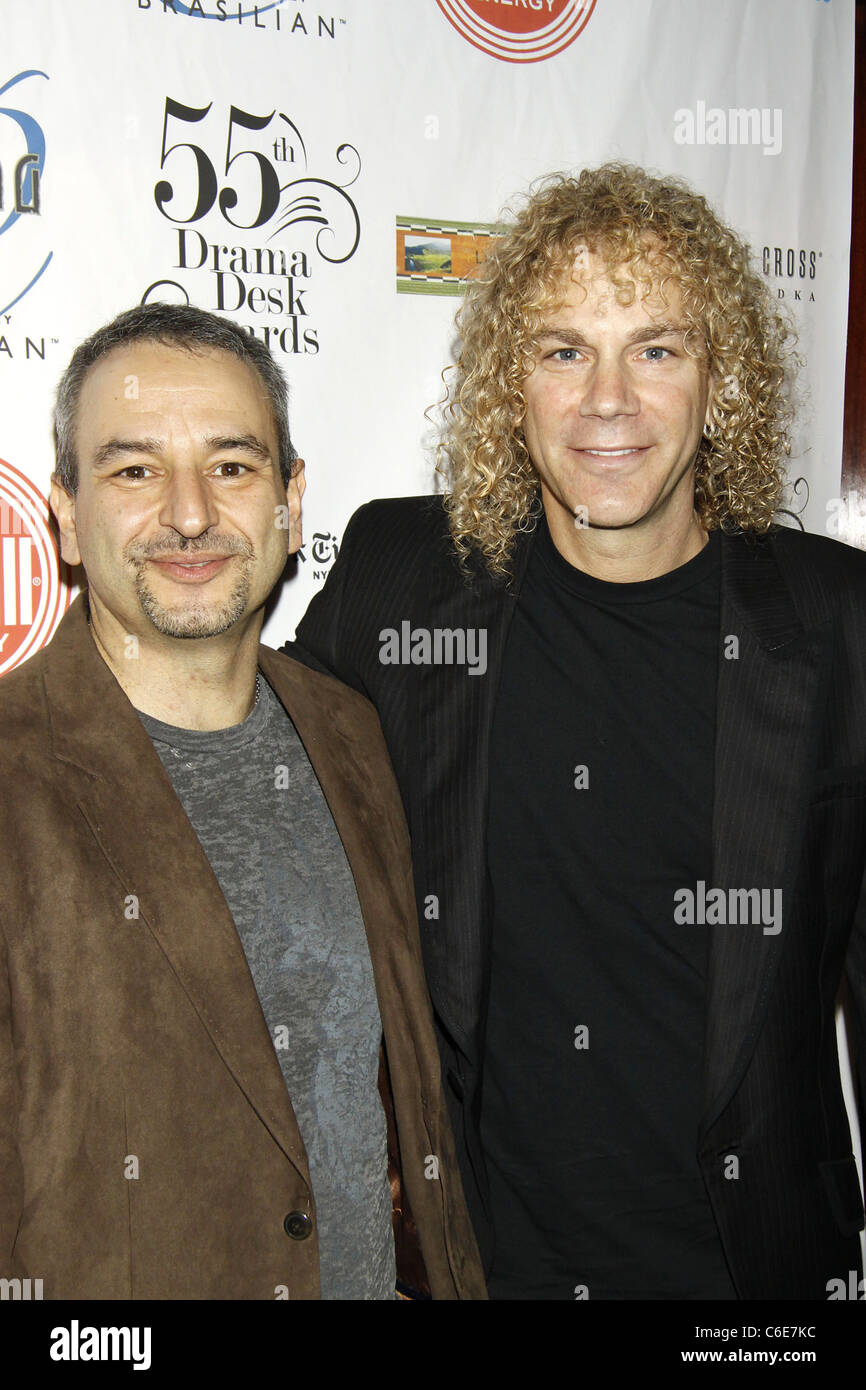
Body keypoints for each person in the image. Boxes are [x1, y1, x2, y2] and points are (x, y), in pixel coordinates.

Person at [288, 163, 866, 1300]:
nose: (607, 400)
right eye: (563, 350)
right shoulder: (401, 583)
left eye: (655, 349)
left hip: (747, 1281)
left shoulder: (837, 623)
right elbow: (254, 780)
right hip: (476, 1269)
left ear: (721, 380)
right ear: (512, 382)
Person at [0, 301, 485, 1301]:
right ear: (64, 513)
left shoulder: (349, 731)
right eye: (134, 470)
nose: (188, 513)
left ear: (291, 501)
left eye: (232, 465)